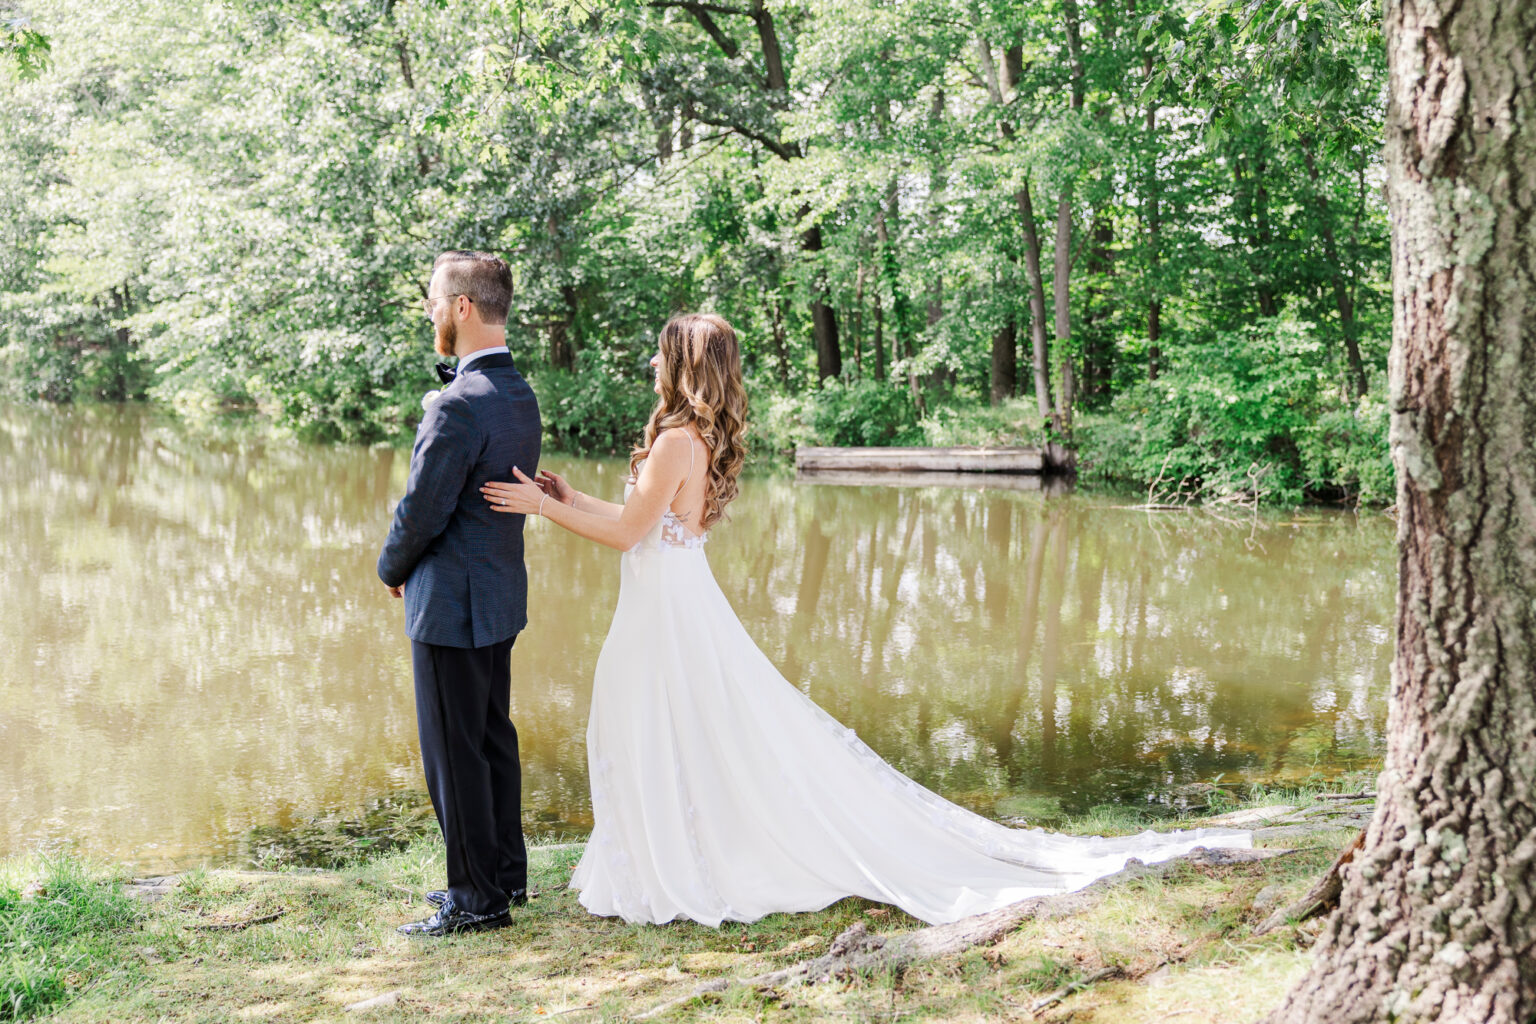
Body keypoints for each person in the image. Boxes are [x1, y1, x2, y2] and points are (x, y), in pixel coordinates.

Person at [481, 312, 1248, 928]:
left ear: (682, 367)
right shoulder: (695, 439)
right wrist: (571, 495)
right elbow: (640, 522)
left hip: (667, 615)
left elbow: (627, 536)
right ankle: (673, 847)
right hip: (675, 603)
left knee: (665, 723)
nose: (651, 365)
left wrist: (542, 508)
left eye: (659, 355)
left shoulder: (677, 439)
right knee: (692, 726)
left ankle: (681, 860)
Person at [378, 250, 541, 937]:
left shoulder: (459, 405)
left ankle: (477, 900)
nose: (429, 311)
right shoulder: (518, 394)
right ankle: (504, 875)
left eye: (435, 300)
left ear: (463, 308)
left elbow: (424, 508)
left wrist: (391, 569)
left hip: (450, 604)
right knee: (490, 738)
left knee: (453, 752)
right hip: (498, 596)